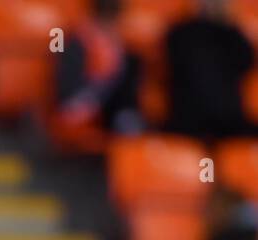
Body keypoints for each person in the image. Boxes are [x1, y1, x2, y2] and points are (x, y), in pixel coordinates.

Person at [164, 0, 257, 142]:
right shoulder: (181, 32)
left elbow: (246, 61)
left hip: (229, 120)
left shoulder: (232, 35)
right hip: (188, 120)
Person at [52, 0, 143, 140]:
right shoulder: (76, 41)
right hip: (80, 104)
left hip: (107, 107)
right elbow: (66, 90)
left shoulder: (118, 45)